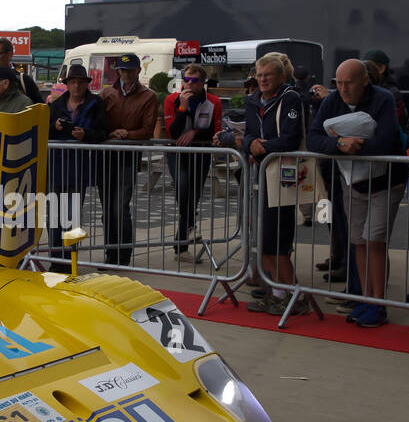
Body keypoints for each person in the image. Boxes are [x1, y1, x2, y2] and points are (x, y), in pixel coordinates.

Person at [307, 59, 406, 327]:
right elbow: (313, 138)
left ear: (364, 80)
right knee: (358, 241)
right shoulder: (331, 101)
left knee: (374, 241)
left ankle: (378, 303)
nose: (343, 89)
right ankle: (365, 297)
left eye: (348, 83)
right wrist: (339, 143)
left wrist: (355, 146)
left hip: (385, 181)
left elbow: (387, 140)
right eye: (338, 83)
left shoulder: (383, 99)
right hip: (351, 181)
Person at [221, 52, 307, 315]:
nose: (262, 79)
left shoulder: (291, 98)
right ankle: (277, 292)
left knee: (277, 239)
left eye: (267, 75)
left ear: (281, 77)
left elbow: (292, 139)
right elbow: (247, 137)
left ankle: (293, 295)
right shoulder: (252, 101)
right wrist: (251, 144)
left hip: (282, 177)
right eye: (259, 75)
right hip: (258, 176)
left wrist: (262, 146)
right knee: (262, 238)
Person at [99, 53, 159, 265]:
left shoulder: (149, 96)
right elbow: (98, 122)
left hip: (128, 156)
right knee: (107, 208)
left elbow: (148, 130)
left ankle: (122, 254)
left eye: (130, 70)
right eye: (123, 70)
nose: (126, 74)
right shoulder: (107, 93)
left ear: (138, 71)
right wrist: (111, 133)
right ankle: (110, 252)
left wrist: (125, 134)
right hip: (106, 156)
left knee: (120, 207)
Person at [47, 64, 109, 267]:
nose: (76, 85)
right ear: (66, 84)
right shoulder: (56, 105)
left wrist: (86, 135)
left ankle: (69, 259)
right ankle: (56, 259)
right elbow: (43, 131)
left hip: (79, 168)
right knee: (54, 215)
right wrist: (53, 127)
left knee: (72, 217)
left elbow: (103, 132)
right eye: (72, 82)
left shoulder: (95, 103)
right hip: (57, 167)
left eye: (80, 82)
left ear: (86, 84)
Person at [164, 62, 223, 256]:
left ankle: (181, 242)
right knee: (182, 185)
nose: (189, 84)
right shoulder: (171, 99)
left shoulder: (214, 101)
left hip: (200, 151)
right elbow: (173, 131)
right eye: (186, 79)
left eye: (194, 80)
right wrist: (182, 107)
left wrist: (194, 133)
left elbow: (215, 130)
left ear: (202, 83)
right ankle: (190, 228)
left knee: (194, 194)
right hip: (177, 151)